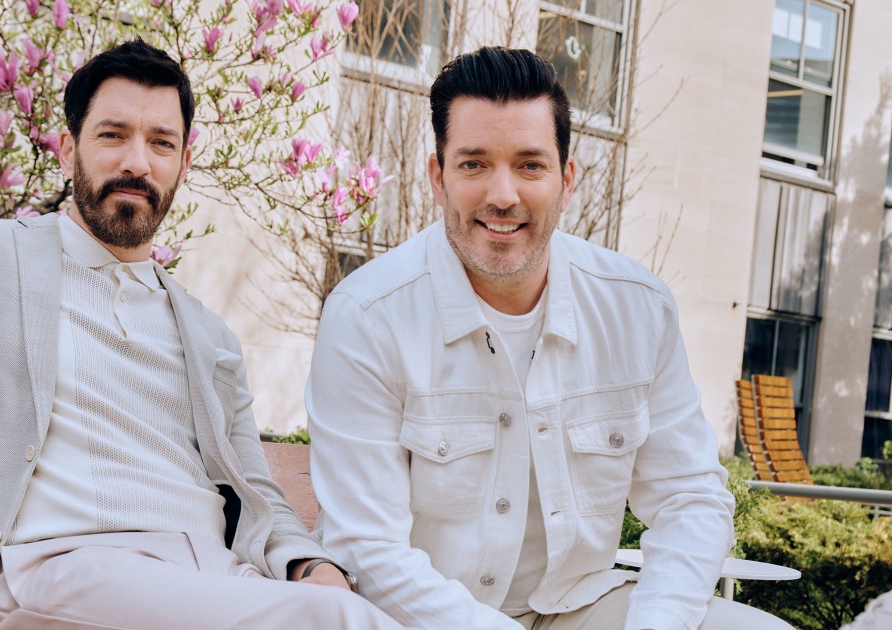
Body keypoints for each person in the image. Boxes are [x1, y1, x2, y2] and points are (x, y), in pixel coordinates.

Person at [0, 40, 402, 630]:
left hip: (213, 582)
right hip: (50, 573)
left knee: (350, 611)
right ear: (66, 148)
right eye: (113, 135)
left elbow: (260, 499)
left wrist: (311, 564)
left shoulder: (209, 336)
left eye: (161, 143)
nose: (137, 162)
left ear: (184, 162)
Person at [306, 46, 793, 630]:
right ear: (438, 178)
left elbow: (690, 498)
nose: (502, 195)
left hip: (576, 606)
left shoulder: (637, 308)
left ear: (567, 179)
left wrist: (658, 621)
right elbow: (369, 551)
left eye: (530, 165)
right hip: (416, 618)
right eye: (474, 164)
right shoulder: (367, 315)